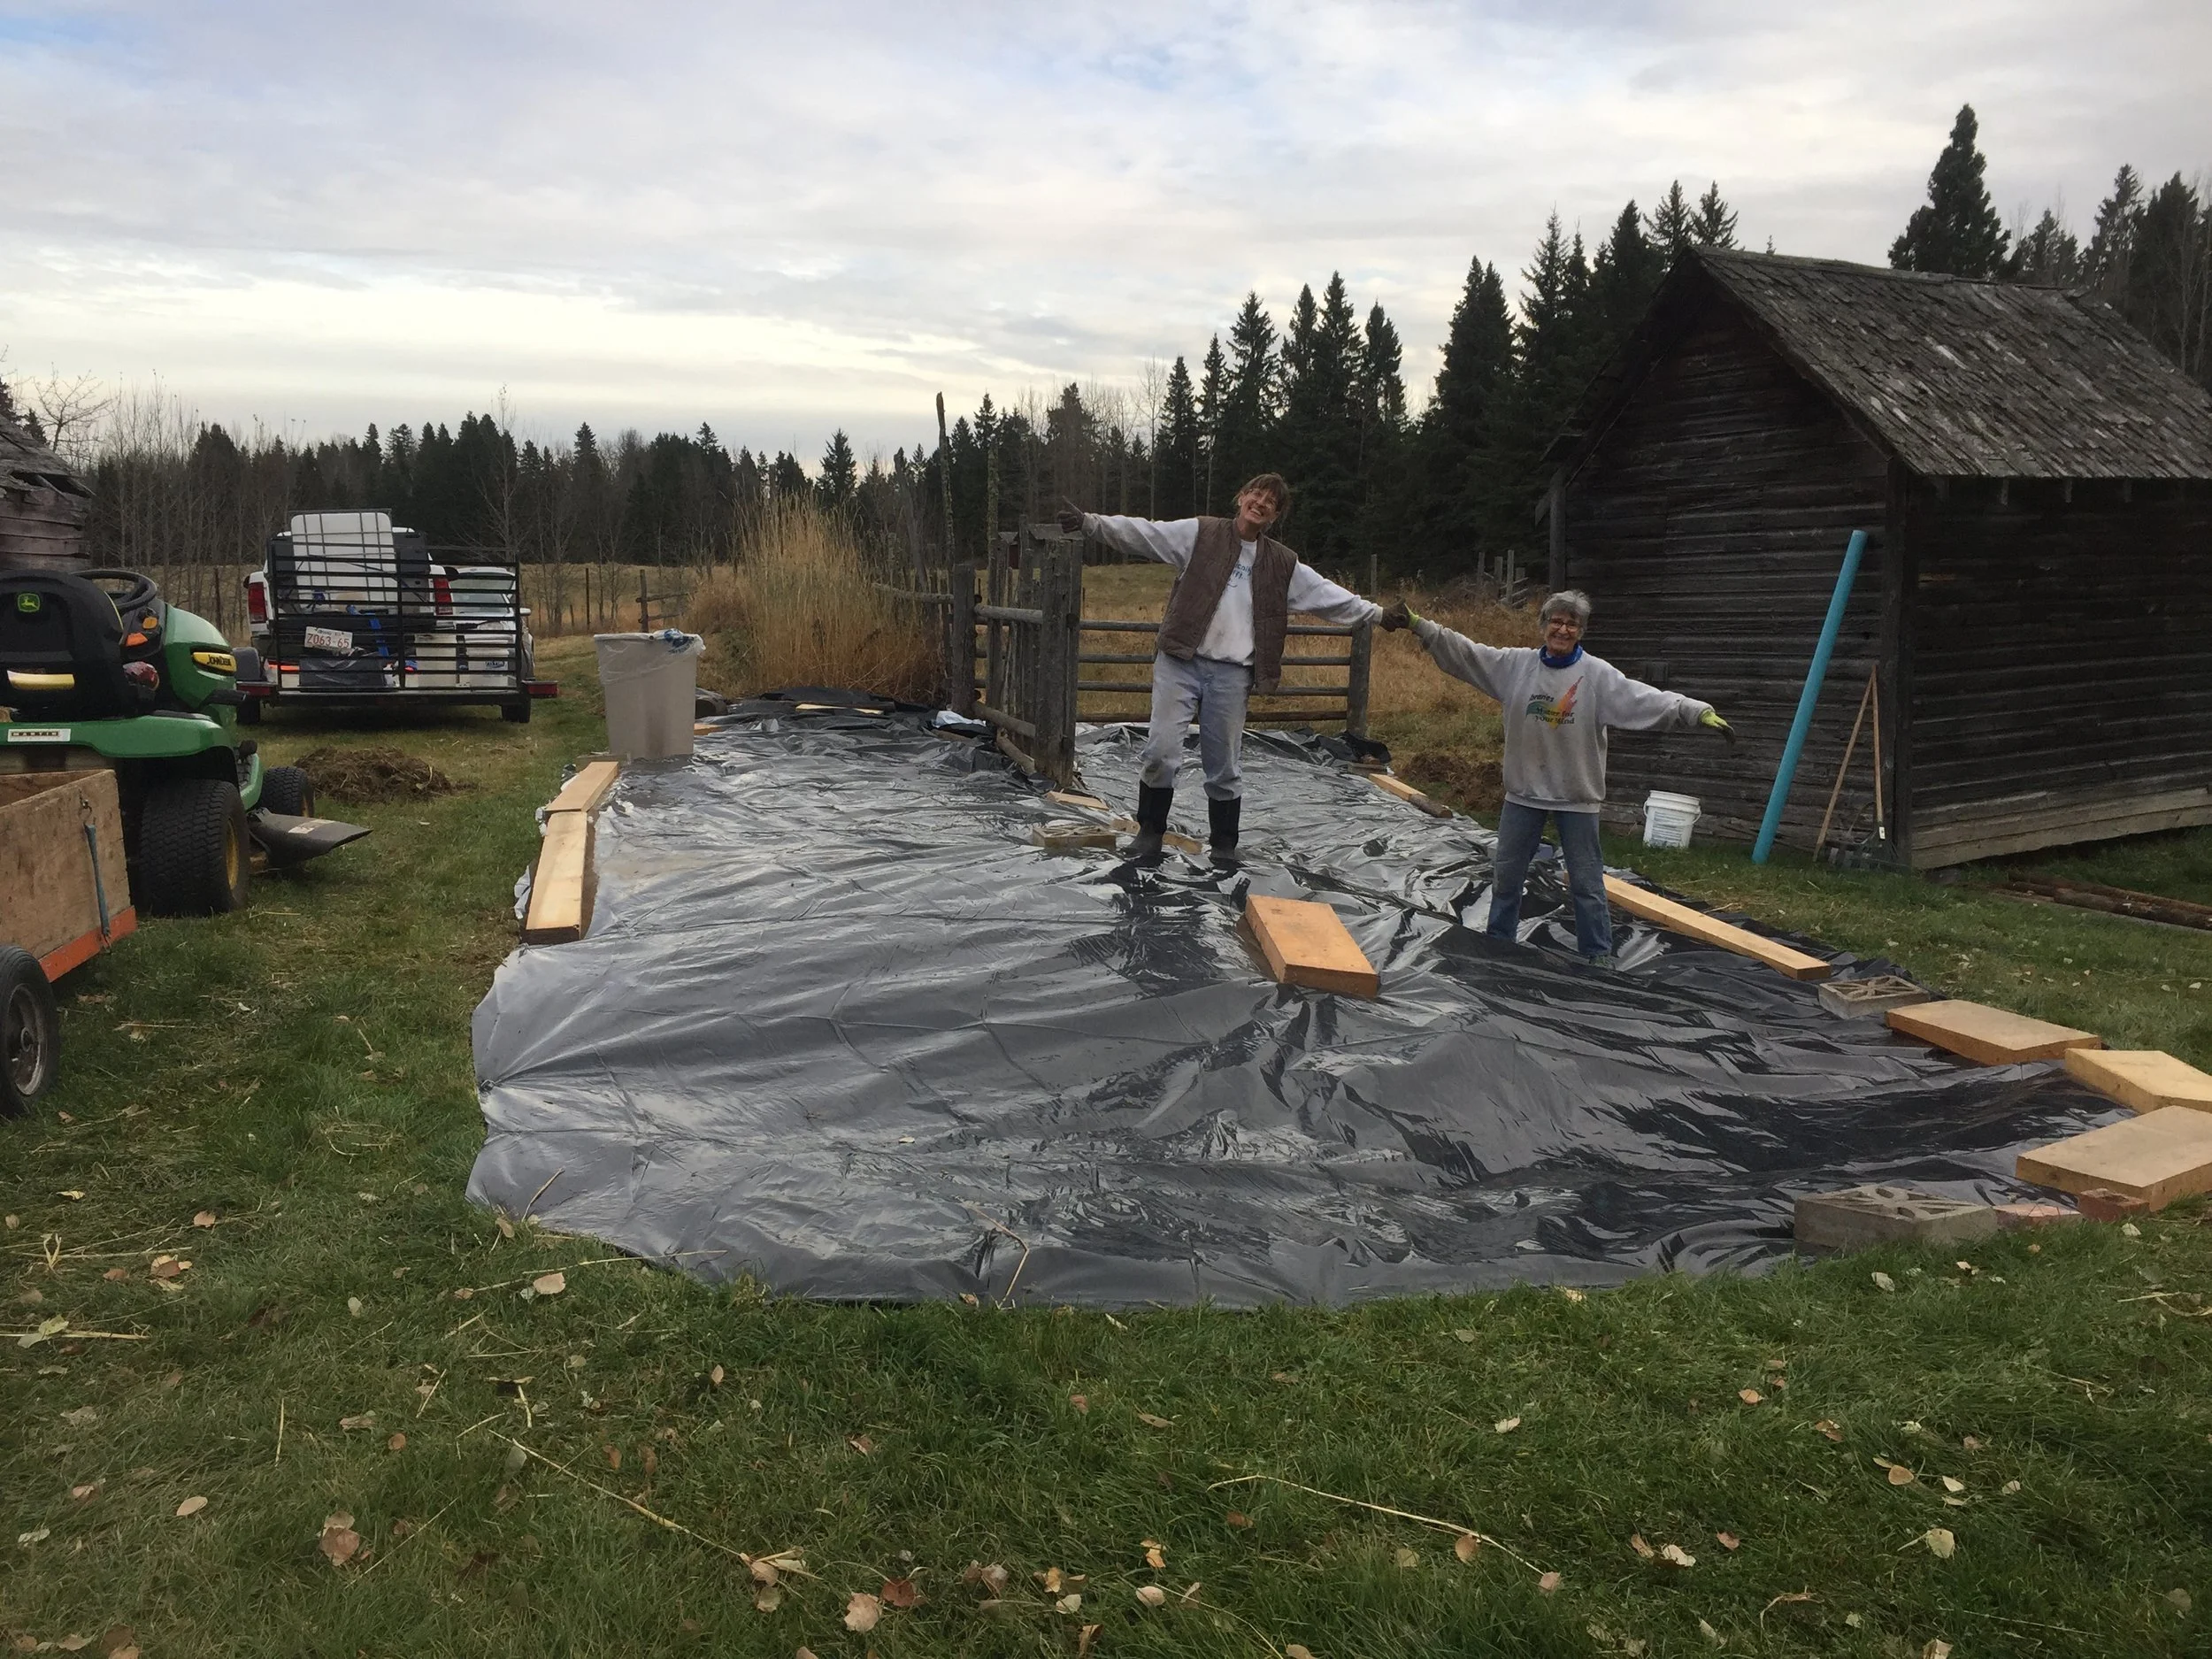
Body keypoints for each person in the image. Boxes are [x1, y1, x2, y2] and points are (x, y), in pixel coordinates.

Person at [1379, 588, 1731, 962]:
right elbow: (1467, 653)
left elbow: (1642, 697)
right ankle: (1499, 944)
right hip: (1523, 794)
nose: (1563, 629)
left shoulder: (1597, 675)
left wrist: (1693, 710)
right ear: (1543, 625)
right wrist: (1419, 625)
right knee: (1506, 878)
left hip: (1577, 797)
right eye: (1556, 621)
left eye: (1572, 624)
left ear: (1581, 631)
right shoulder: (1516, 667)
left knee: (1587, 884)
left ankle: (1597, 955)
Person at [1062, 475, 1380, 859]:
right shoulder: (1201, 534)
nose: (1261, 503)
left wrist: (1378, 614)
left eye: (1271, 502)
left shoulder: (1283, 564)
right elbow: (1145, 533)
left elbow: (1329, 595)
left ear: (1275, 516)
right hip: (1180, 662)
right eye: (1256, 494)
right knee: (1161, 751)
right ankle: (1149, 831)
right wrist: (1091, 523)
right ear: (1241, 497)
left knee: (1224, 764)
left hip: (1232, 674)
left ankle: (1224, 845)